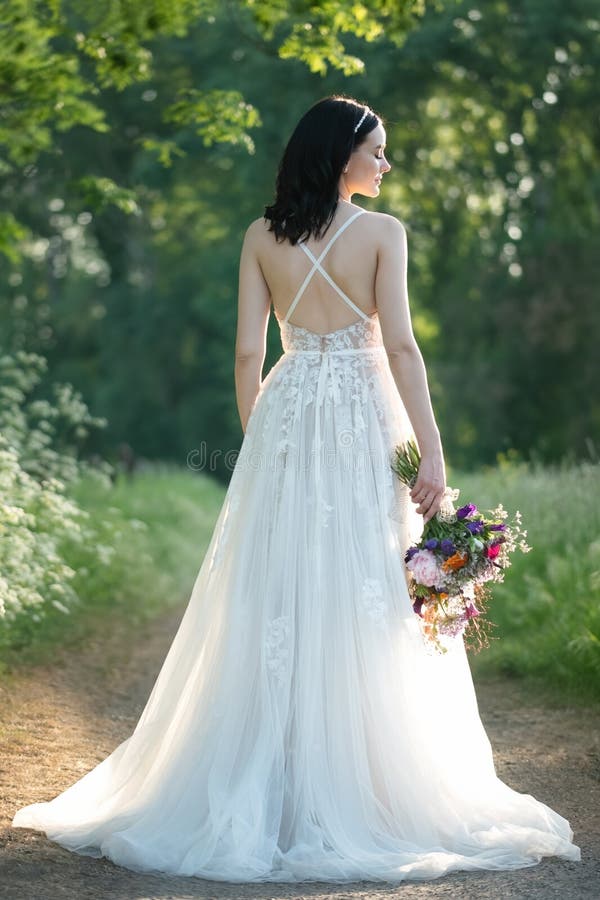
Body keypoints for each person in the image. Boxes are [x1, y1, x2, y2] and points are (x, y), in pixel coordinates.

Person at [12, 95, 580, 883]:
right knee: (370, 586)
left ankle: (275, 775)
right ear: (339, 155)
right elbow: (405, 350)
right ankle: (365, 782)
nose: (386, 164)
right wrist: (434, 460)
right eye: (377, 151)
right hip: (366, 420)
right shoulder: (384, 236)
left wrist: (263, 441)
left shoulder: (260, 236)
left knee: (279, 588)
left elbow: (248, 356)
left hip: (287, 414)